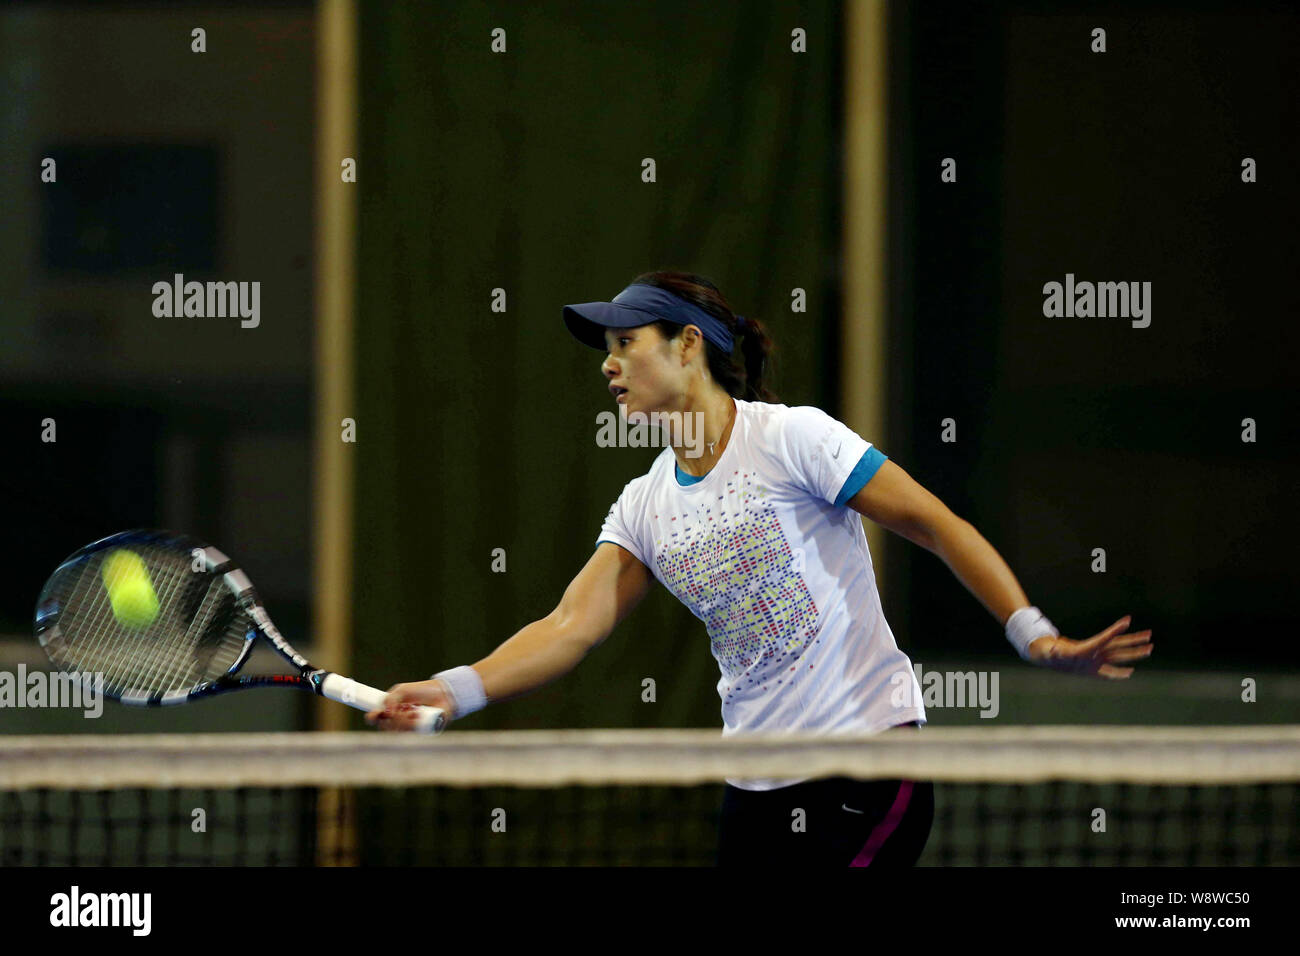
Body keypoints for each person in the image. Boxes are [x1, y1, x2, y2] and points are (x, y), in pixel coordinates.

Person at [366, 270, 1154, 866]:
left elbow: (937, 525)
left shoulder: (794, 439)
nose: (608, 366)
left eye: (625, 343)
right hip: (752, 789)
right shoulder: (643, 506)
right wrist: (453, 689)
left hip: (868, 761)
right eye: (605, 351)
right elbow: (572, 626)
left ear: (687, 344)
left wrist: (1035, 636)